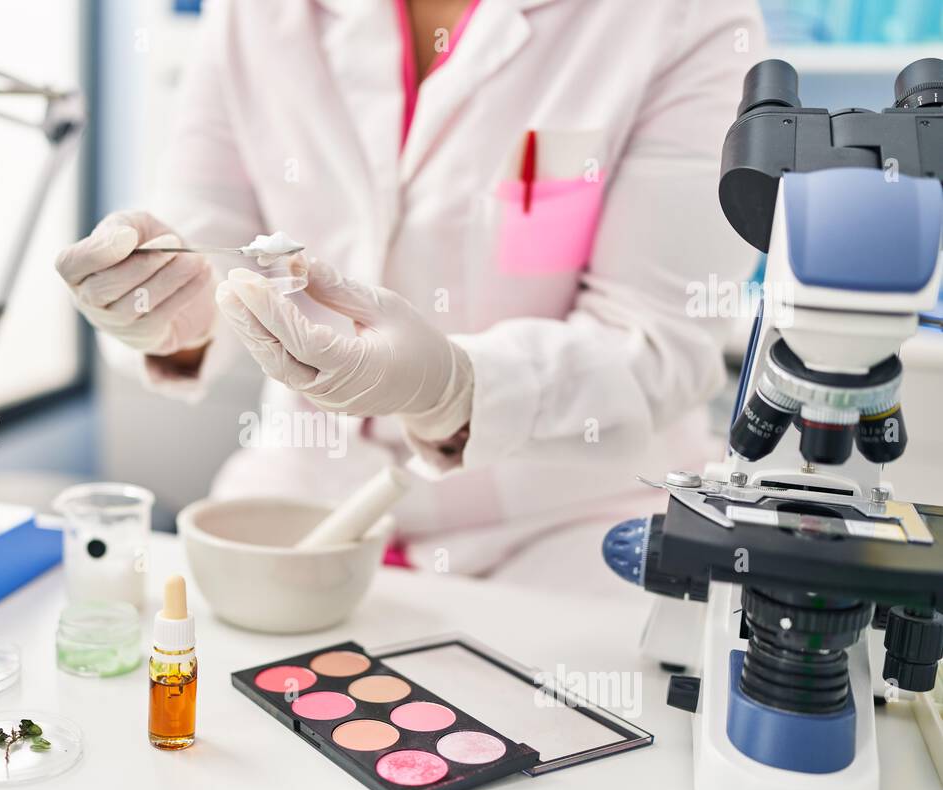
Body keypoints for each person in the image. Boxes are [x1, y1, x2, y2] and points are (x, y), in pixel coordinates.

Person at [55, 0, 763, 581]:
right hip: (307, 484)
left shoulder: (684, 19)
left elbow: (657, 340)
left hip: (565, 517)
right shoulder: (252, 15)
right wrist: (166, 310)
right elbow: (207, 232)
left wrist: (454, 389)